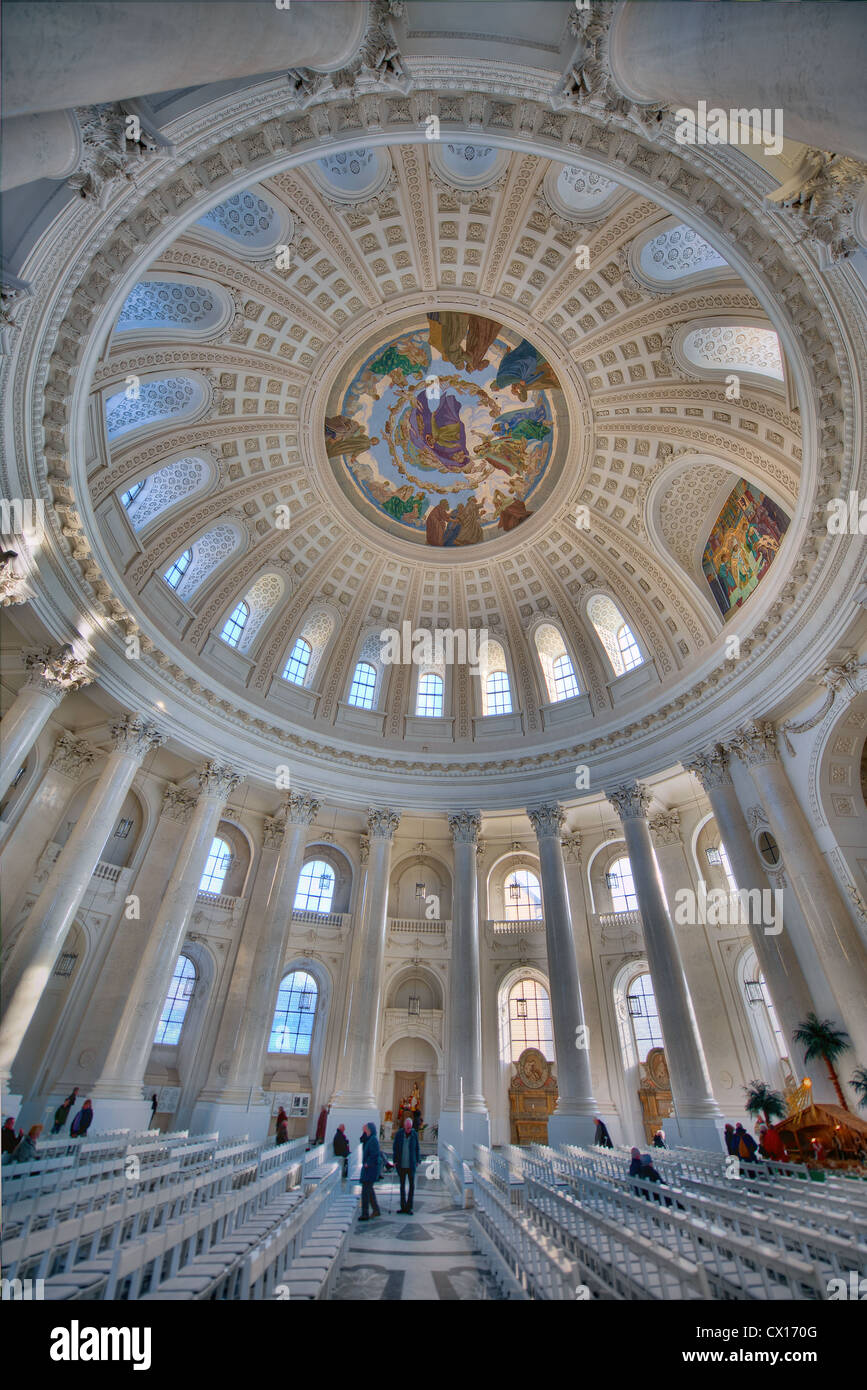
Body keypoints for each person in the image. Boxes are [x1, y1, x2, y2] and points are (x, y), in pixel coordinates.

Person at [392, 1115, 420, 1215]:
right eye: (407, 1127)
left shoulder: (414, 1134)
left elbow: (417, 1148)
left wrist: (418, 1160)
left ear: (411, 1127)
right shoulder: (399, 1134)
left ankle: (409, 1207)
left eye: (410, 1127)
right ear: (404, 1126)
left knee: (411, 1186)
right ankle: (403, 1206)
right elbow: (395, 1147)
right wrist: (395, 1160)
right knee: (402, 1186)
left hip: (411, 1165)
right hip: (401, 1164)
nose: (408, 1129)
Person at [358, 1120, 382, 1222]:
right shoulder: (369, 1138)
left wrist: (368, 1163)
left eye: (366, 1129)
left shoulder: (373, 1140)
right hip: (368, 1170)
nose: (365, 1131)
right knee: (369, 1191)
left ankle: (365, 1214)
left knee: (365, 1192)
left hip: (370, 1169)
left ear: (370, 1130)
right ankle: (376, 1210)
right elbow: (362, 1139)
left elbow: (375, 1154)